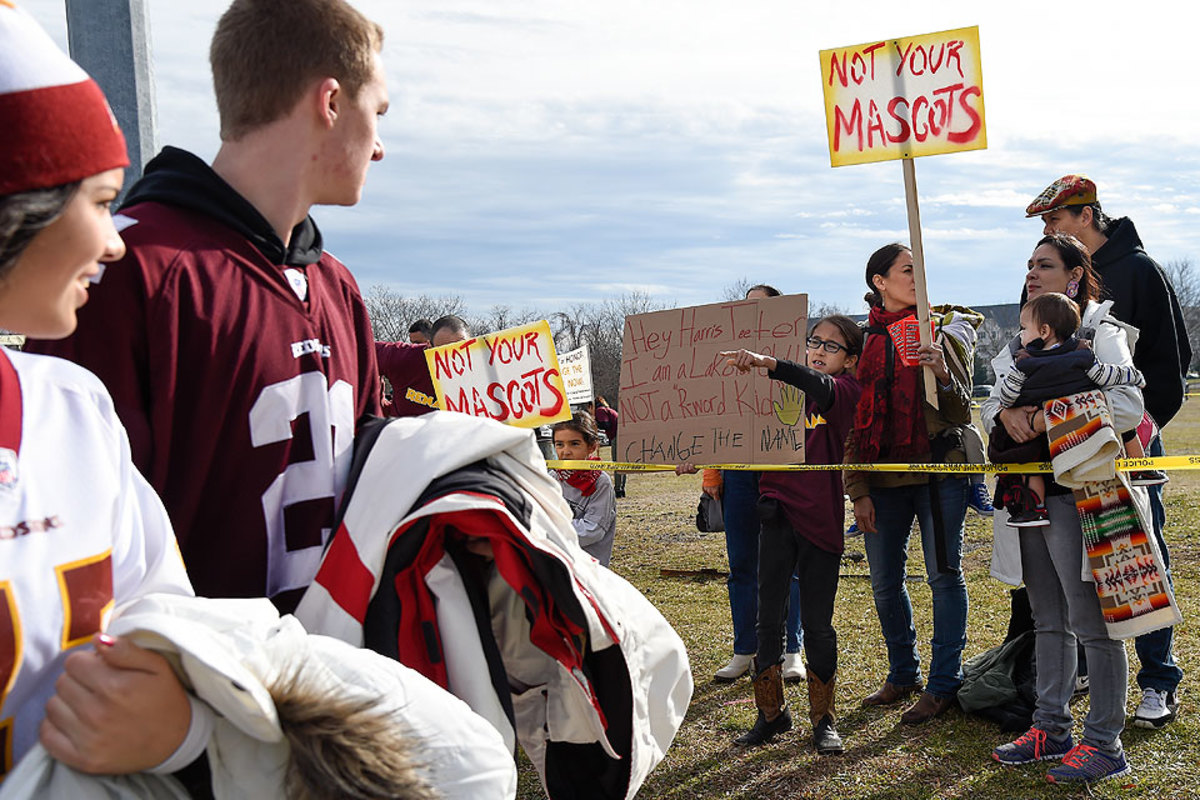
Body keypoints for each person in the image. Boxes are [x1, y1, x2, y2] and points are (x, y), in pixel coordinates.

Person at [28, 0, 387, 612]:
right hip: (176, 689)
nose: (379, 147)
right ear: (330, 102)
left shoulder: (338, 287)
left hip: (327, 684)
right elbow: (62, 533)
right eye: (377, 113)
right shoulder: (127, 269)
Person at [0, 3, 198, 778]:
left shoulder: (73, 409)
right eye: (102, 199)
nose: (116, 242)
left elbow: (168, 622)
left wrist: (173, 726)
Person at [1027, 174, 1188, 728]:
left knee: (1137, 557)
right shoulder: (1051, 280)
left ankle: (1158, 678)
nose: (1048, 230)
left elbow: (1168, 363)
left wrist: (1136, 432)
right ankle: (1093, 667)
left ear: (1087, 214)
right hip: (1065, 451)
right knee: (1077, 567)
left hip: (1129, 441)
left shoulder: (1140, 271)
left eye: (1055, 219)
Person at [982, 233, 1141, 784]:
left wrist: (1050, 415)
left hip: (1082, 495)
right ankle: (1050, 727)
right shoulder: (1019, 345)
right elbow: (989, 405)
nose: (1031, 272)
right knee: (1049, 619)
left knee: (1093, 622)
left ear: (1074, 276)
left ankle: (1105, 742)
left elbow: (1128, 405)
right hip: (1028, 497)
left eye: (1044, 265)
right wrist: (1004, 418)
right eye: (1028, 264)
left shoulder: (1102, 335)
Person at [845, 243, 981, 725]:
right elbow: (851, 422)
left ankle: (944, 683)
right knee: (884, 583)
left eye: (920, 269)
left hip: (938, 472)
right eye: (907, 270)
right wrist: (858, 488)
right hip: (882, 476)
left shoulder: (940, 330)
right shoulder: (858, 341)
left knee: (944, 576)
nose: (917, 277)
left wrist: (940, 370)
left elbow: (962, 410)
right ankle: (903, 673)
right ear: (879, 281)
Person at [720, 316, 863, 754]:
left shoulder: (844, 393)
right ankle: (771, 715)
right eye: (814, 342)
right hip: (774, 514)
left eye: (831, 347)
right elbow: (729, 431)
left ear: (850, 360)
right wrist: (696, 454)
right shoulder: (769, 394)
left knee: (818, 625)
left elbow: (816, 385)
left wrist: (772, 363)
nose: (819, 350)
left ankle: (824, 720)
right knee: (767, 620)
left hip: (818, 521)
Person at [704, 284, 804, 684]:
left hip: (784, 469)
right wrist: (713, 470)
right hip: (738, 474)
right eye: (744, 308)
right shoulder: (721, 361)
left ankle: (792, 650)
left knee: (787, 566)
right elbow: (709, 414)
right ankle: (745, 649)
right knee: (742, 564)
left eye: (759, 308)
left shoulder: (793, 359)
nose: (750, 315)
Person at [990, 291, 1146, 527]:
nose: (1020, 335)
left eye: (1024, 328)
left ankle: (1035, 507)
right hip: (1086, 426)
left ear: (1044, 331)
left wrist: (1008, 408)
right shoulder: (1082, 353)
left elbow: (1008, 395)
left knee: (1024, 455)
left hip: (1041, 422)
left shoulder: (1025, 362)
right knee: (1122, 429)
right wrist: (1134, 376)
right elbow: (1105, 375)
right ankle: (1141, 469)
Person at [551, 411, 617, 565]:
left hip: (589, 567)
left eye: (574, 444)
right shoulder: (552, 477)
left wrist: (551, 529)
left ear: (591, 446)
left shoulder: (600, 483)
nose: (565, 451)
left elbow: (593, 530)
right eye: (559, 444)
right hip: (558, 562)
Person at [593, 395, 626, 498]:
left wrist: (594, 423)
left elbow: (605, 424)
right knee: (623, 464)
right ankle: (621, 488)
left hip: (617, 436)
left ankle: (617, 489)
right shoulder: (608, 409)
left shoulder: (600, 410)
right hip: (622, 435)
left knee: (617, 463)